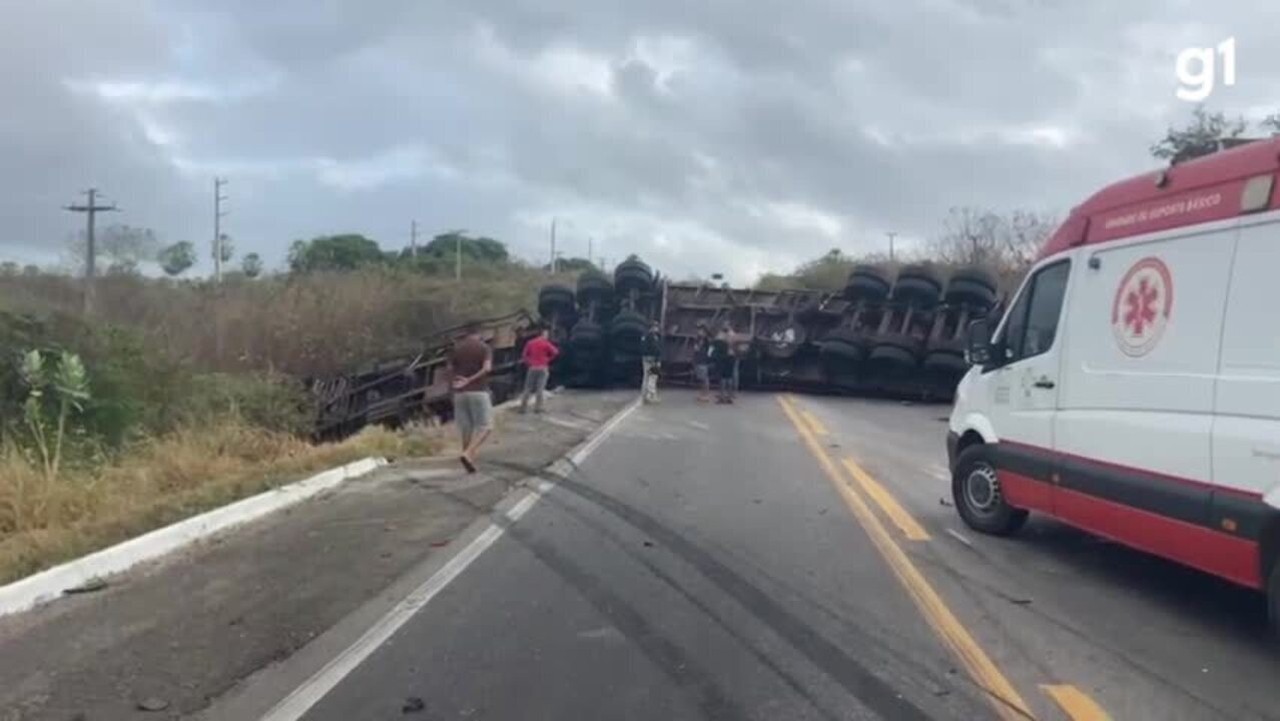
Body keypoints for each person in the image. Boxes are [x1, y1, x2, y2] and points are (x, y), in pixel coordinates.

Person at [447, 324, 493, 473]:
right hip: (478, 391)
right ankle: (468, 453)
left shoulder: (456, 349)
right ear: (479, 334)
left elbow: (448, 369)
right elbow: (487, 369)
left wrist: (455, 383)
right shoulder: (484, 348)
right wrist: (470, 380)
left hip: (459, 393)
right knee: (486, 427)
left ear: (465, 334)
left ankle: (468, 459)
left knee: (466, 428)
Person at [519, 324, 559, 414]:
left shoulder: (530, 343)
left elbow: (524, 355)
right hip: (543, 368)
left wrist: (529, 363)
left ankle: (523, 408)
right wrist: (548, 359)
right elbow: (556, 352)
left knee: (528, 388)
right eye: (546, 334)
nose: (547, 336)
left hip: (532, 368)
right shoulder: (546, 343)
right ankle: (538, 408)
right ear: (543, 334)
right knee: (540, 389)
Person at [711, 323, 736, 404]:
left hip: (723, 357)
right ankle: (729, 397)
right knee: (729, 377)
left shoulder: (721, 335)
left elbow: (715, 343)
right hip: (731, 356)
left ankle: (721, 397)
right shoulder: (733, 334)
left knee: (722, 378)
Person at [640, 321, 663, 404]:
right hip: (652, 359)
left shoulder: (646, 336)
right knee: (652, 377)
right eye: (655, 326)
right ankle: (650, 395)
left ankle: (645, 395)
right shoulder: (651, 336)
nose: (657, 328)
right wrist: (656, 358)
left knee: (647, 377)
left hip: (648, 358)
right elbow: (655, 348)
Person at [693, 322, 713, 403]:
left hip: (703, 359)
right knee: (701, 378)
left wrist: (708, 356)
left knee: (705, 378)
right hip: (698, 359)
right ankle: (702, 394)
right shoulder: (698, 338)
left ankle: (706, 395)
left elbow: (710, 349)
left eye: (700, 330)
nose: (698, 331)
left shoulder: (707, 339)